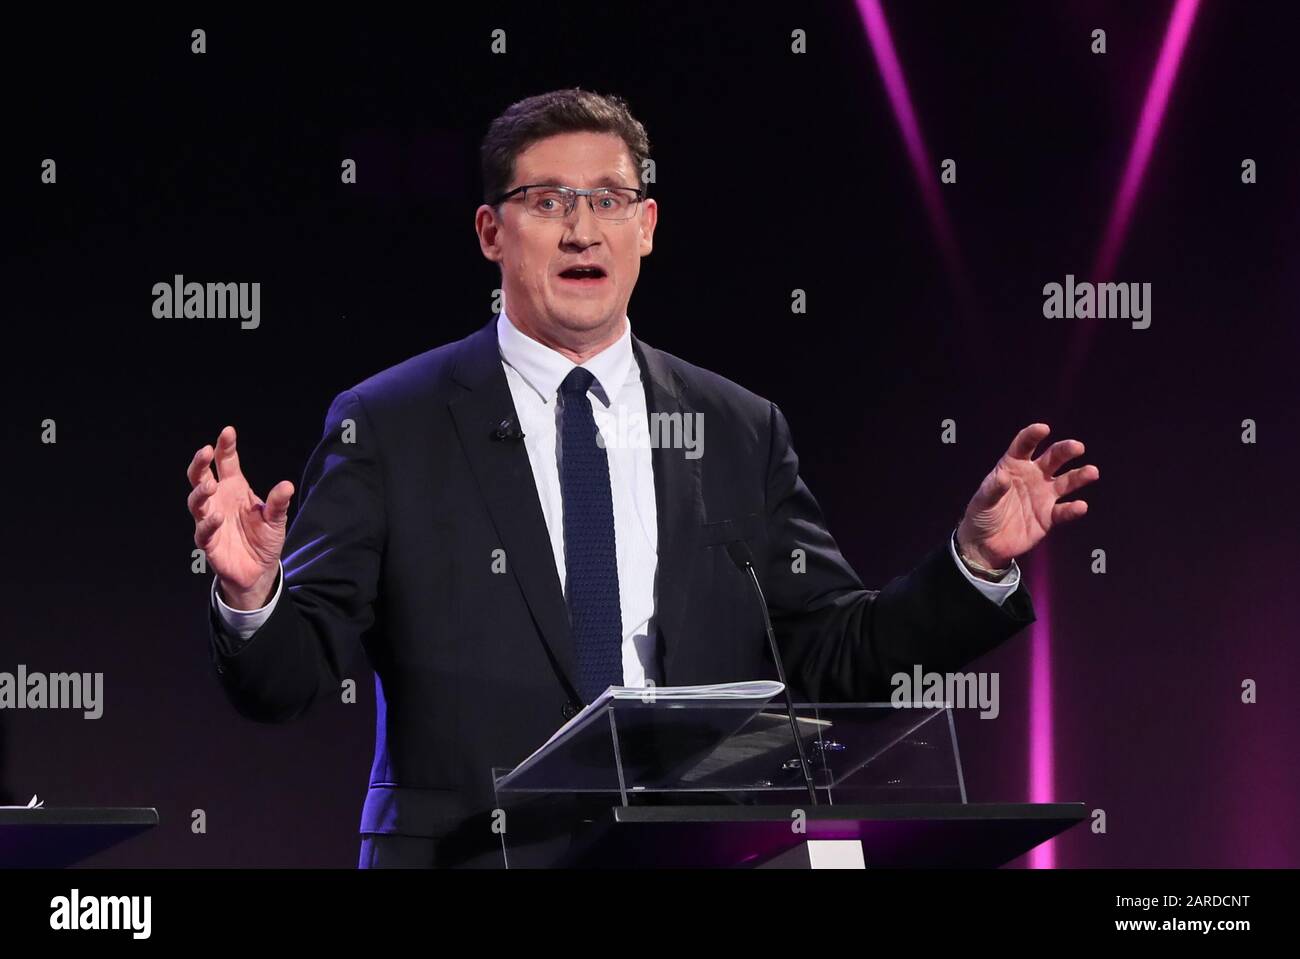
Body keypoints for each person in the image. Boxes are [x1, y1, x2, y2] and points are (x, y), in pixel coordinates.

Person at [185, 88, 1098, 867]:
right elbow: (288, 681)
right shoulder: (391, 421)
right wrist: (256, 594)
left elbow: (829, 652)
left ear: (647, 228)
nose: (584, 227)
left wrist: (971, 563)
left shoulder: (737, 426)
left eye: (612, 199)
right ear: (490, 232)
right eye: (548, 200)